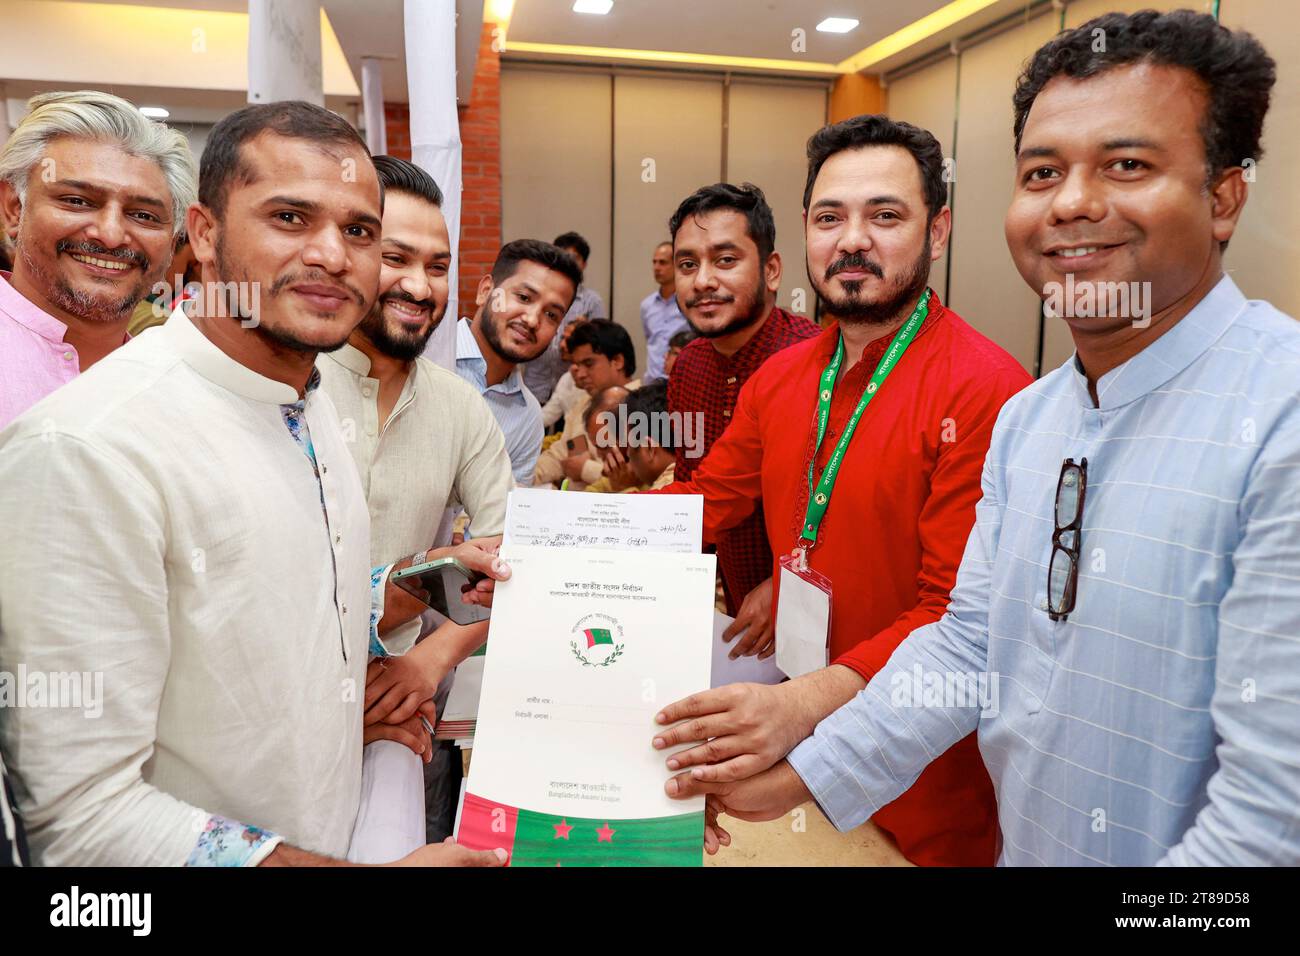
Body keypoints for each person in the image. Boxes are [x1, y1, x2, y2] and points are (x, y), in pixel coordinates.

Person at [668, 10, 1300, 867]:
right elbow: (969, 646)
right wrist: (792, 776)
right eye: (1043, 172)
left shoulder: (1279, 417)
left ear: (1224, 196)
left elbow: (1270, 824)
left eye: (1126, 164)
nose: (1073, 203)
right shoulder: (1033, 421)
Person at [0, 100, 504, 867]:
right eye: (290, 217)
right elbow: (84, 821)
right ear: (202, 235)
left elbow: (271, 604)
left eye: (359, 231)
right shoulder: (88, 447)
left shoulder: (312, 402)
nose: (333, 255)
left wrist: (409, 593)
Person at [648, 115, 1032, 866]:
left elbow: (951, 617)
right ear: (807, 235)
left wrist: (796, 708)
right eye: (831, 217)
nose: (853, 239)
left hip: (923, 771)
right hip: (792, 730)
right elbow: (709, 500)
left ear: (939, 230)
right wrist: (548, 545)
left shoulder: (988, 390)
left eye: (885, 215)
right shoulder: (785, 377)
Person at [315, 155, 516, 839]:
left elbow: (512, 558)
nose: (419, 285)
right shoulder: (292, 380)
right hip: (278, 704)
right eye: (395, 256)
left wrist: (431, 660)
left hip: (404, 708)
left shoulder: (462, 409)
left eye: (438, 266)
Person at [665, 182, 820, 648]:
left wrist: (786, 585)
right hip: (736, 627)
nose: (703, 280)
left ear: (772, 271)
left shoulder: (816, 364)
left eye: (725, 260)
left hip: (825, 622)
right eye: (687, 265)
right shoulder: (688, 367)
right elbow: (695, 494)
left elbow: (847, 512)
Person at [0, 90, 195, 429]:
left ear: (174, 238)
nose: (110, 235)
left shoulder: (178, 389)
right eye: (77, 201)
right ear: (14, 209)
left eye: (144, 215)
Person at [455, 239, 580, 487]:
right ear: (485, 291)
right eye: (523, 297)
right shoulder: (424, 357)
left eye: (551, 314)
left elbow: (504, 514)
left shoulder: (527, 419)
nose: (533, 320)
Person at [533, 318, 639, 490]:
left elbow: (646, 478)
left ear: (618, 361)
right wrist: (518, 479)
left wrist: (586, 470)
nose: (580, 374)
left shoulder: (644, 407)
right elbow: (561, 455)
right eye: (576, 365)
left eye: (589, 363)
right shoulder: (584, 404)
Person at [522, 230, 606, 405]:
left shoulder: (592, 301)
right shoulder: (537, 295)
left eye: (575, 258)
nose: (568, 262)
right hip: (535, 384)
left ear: (584, 264)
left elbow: (600, 347)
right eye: (562, 256)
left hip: (573, 388)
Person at [586, 379, 677, 493]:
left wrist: (624, 489)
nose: (599, 454)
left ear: (648, 447)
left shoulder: (672, 489)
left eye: (605, 445)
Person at [640, 240, 689, 381]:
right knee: (622, 404)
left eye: (662, 262)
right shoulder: (647, 305)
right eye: (654, 262)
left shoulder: (688, 303)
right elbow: (651, 341)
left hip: (681, 380)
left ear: (676, 265)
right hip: (652, 381)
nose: (656, 267)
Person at [539, 317, 589, 430]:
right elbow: (547, 415)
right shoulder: (567, 378)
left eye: (569, 340)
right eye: (562, 338)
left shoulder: (596, 378)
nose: (562, 345)